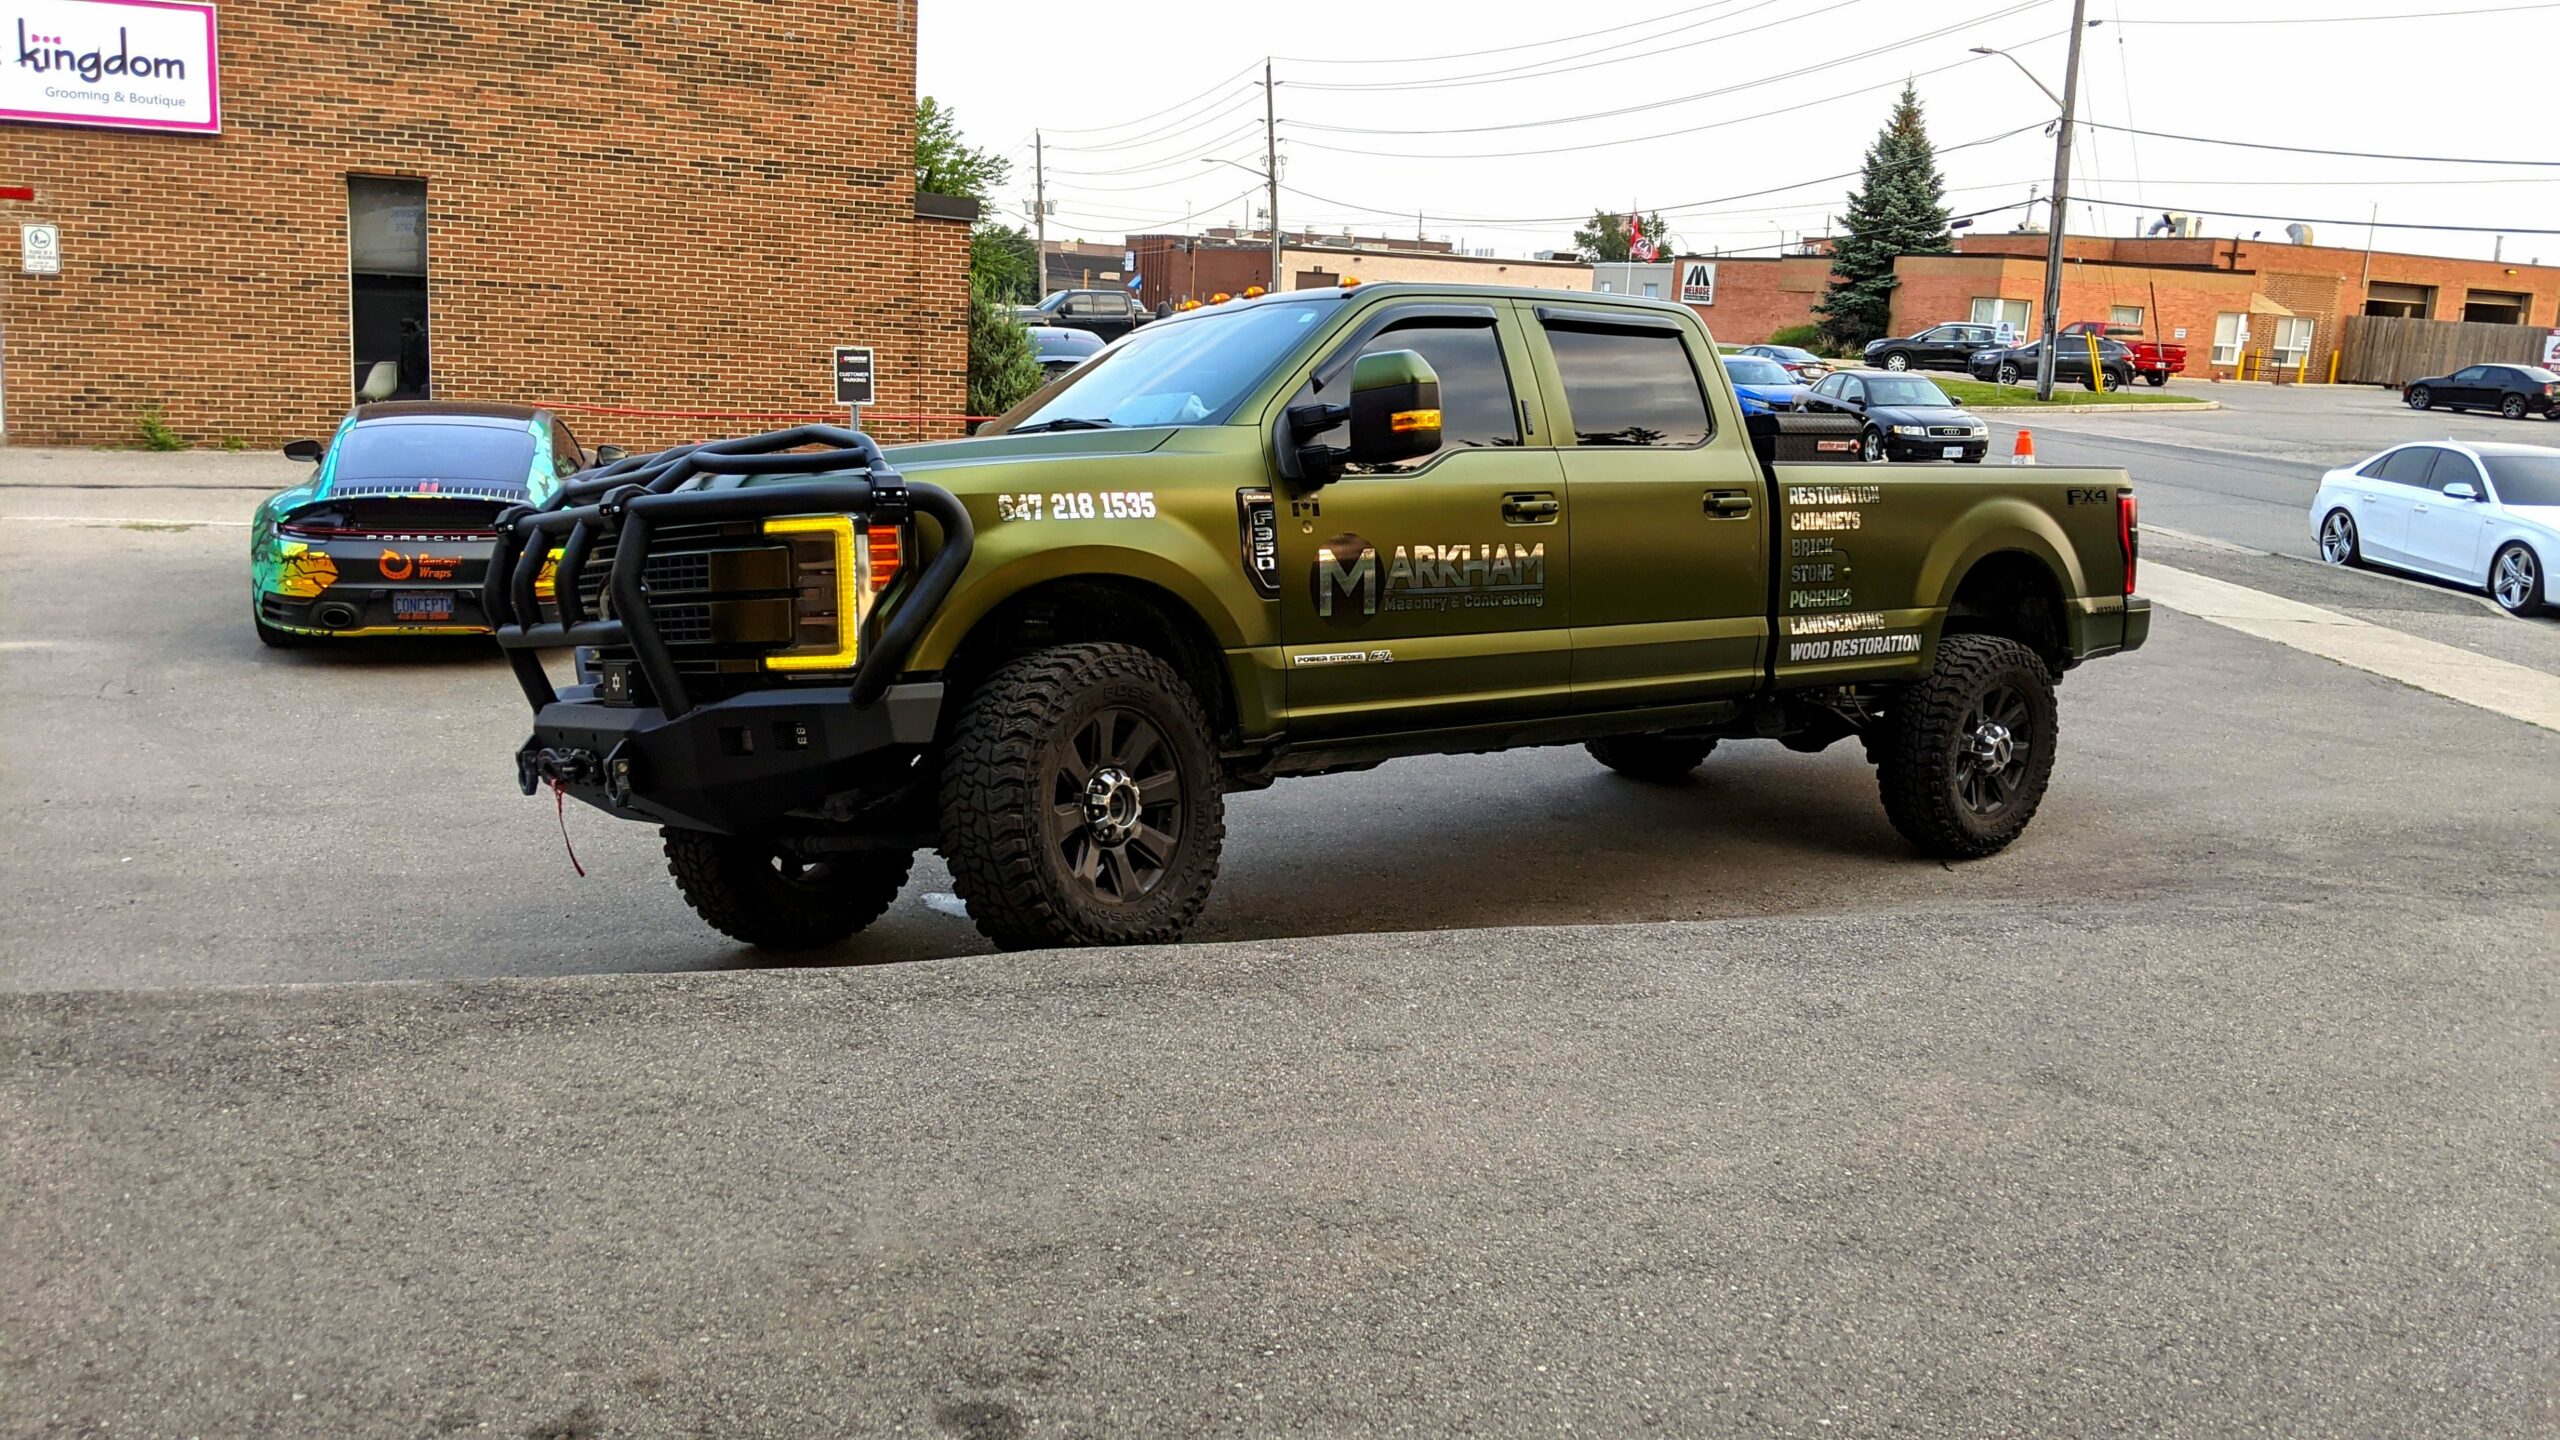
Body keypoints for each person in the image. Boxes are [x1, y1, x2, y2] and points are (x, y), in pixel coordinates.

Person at [397, 317, 431, 397]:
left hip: (418, 363)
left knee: (417, 380)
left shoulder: (422, 336)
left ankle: (416, 392)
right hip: (413, 362)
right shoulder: (412, 336)